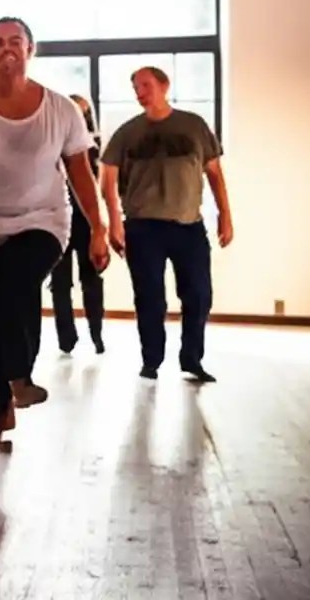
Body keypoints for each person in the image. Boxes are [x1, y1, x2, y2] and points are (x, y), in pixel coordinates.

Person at [0, 16, 109, 445]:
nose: (5, 49)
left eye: (15, 41)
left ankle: (18, 375)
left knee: (10, 281)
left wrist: (100, 227)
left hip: (43, 221)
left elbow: (80, 173)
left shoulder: (60, 109)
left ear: (31, 50)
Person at [101, 66, 229, 383]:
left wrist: (225, 214)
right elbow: (108, 179)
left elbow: (214, 173)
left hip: (188, 224)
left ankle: (192, 359)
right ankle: (152, 359)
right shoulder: (128, 132)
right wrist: (114, 223)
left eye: (145, 84)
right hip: (143, 227)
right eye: (135, 86)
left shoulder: (193, 126)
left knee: (198, 293)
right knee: (150, 296)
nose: (139, 91)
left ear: (164, 85)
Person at [49, 94, 106, 355]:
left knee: (91, 278)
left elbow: (100, 185)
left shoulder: (96, 145)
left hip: (86, 220)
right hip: (58, 217)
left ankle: (96, 333)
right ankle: (66, 338)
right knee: (60, 282)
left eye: (81, 113)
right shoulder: (52, 142)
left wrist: (102, 225)